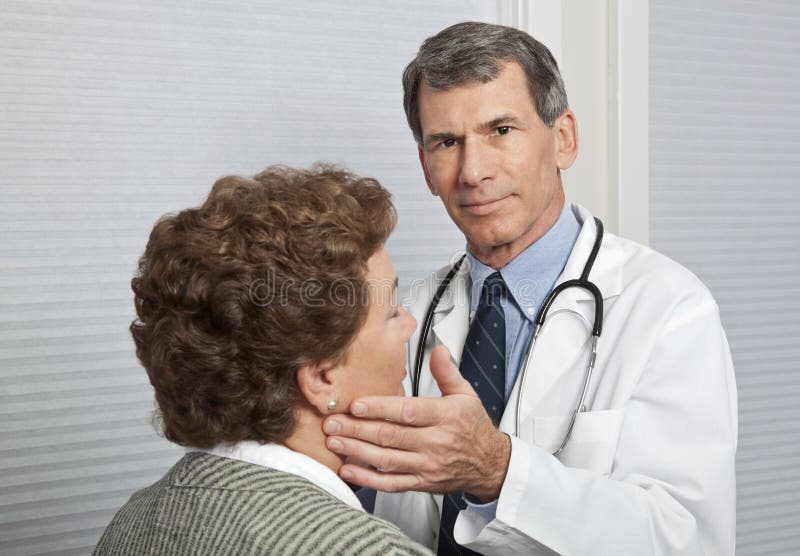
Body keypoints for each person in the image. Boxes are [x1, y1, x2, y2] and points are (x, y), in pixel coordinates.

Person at [321, 22, 738, 555]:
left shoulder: (668, 310)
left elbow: (688, 541)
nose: (473, 171)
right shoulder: (404, 312)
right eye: (447, 142)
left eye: (501, 130)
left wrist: (497, 469)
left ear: (563, 139)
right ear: (426, 168)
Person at [94, 165, 431, 555]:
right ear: (322, 378)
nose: (409, 324)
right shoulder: (370, 550)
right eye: (391, 311)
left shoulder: (133, 523)